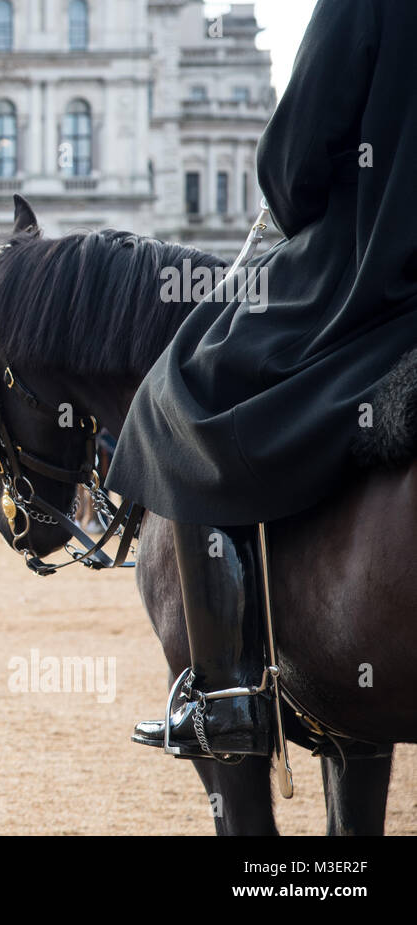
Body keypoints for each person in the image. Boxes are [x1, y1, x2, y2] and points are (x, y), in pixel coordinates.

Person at [108, 0, 417, 758]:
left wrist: (288, 192)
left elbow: (299, 154)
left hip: (379, 265)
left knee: (177, 396)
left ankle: (226, 692)